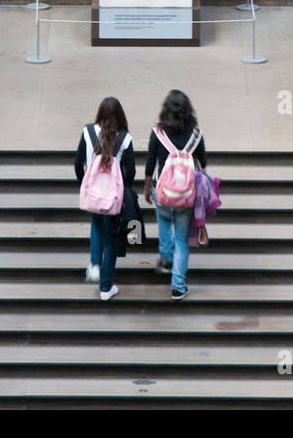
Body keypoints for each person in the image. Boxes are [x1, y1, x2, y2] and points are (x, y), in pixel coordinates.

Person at [144, 90, 207, 301]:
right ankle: (178, 286)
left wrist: (146, 188)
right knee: (181, 239)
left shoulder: (157, 133)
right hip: (186, 195)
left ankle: (165, 260)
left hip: (162, 191)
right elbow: (203, 163)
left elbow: (150, 162)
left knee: (163, 222)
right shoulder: (196, 135)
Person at [73, 97, 135, 301]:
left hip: (93, 195)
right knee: (110, 240)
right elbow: (131, 170)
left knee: (95, 226)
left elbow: (78, 162)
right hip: (112, 199)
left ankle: (94, 265)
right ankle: (106, 287)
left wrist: (86, 184)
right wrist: (121, 191)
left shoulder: (87, 132)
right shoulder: (124, 138)